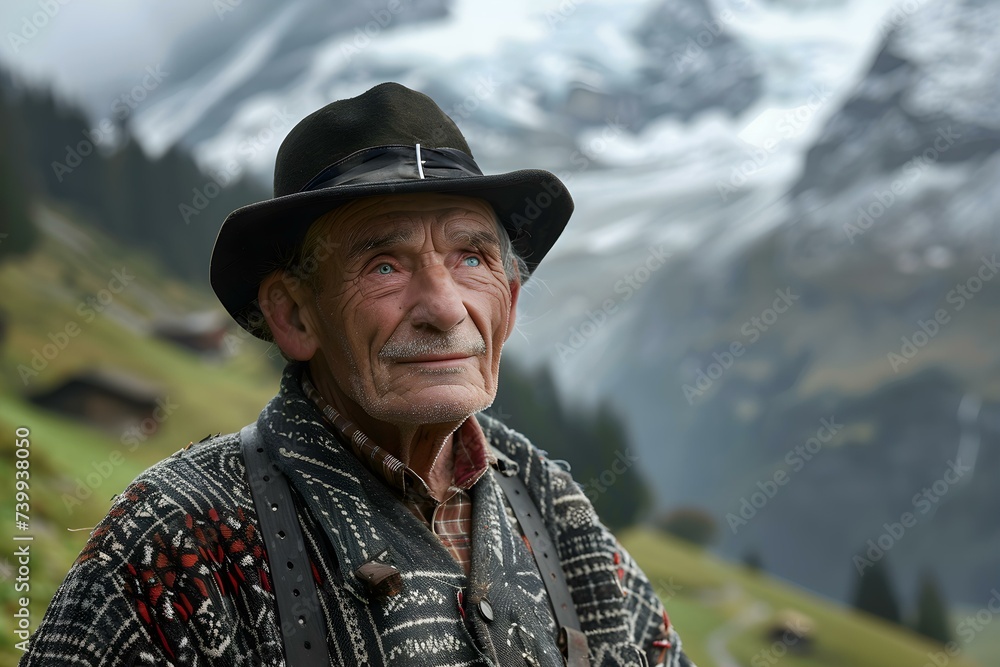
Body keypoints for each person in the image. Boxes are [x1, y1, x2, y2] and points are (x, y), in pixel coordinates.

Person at [21, 83, 694, 666]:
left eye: (471, 258)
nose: (443, 308)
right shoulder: (178, 537)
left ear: (510, 302)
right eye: (385, 266)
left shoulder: (550, 506)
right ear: (294, 315)